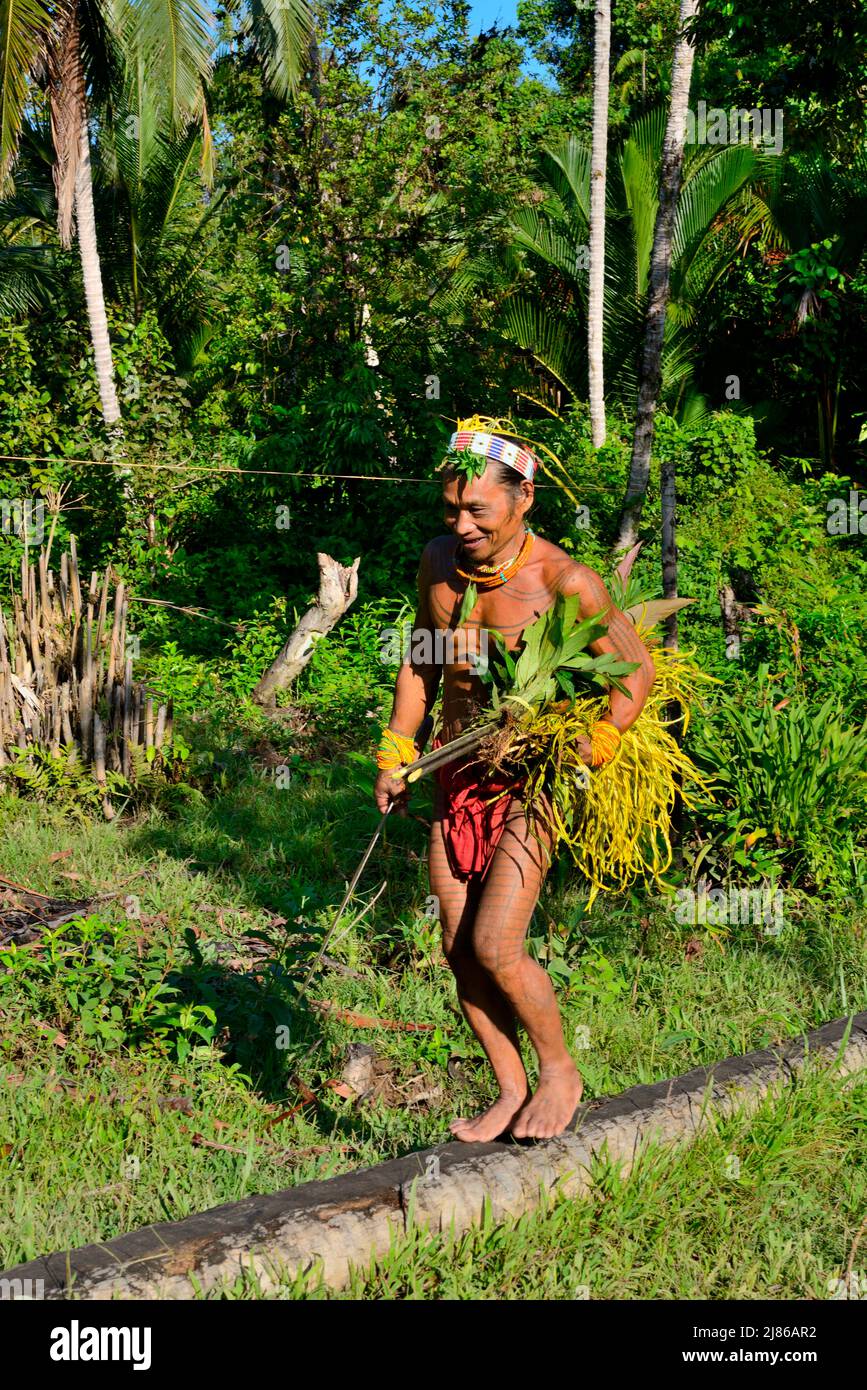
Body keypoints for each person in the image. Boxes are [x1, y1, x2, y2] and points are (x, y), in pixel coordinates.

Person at [373, 422, 656, 1141]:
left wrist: (602, 737)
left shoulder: (564, 582)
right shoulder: (438, 563)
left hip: (532, 777)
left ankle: (560, 1070)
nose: (461, 527)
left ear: (523, 499)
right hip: (454, 768)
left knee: (498, 941)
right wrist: (395, 749)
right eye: (451, 511)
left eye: (479, 513)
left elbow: (636, 671)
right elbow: (423, 660)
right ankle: (507, 1089)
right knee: (456, 944)